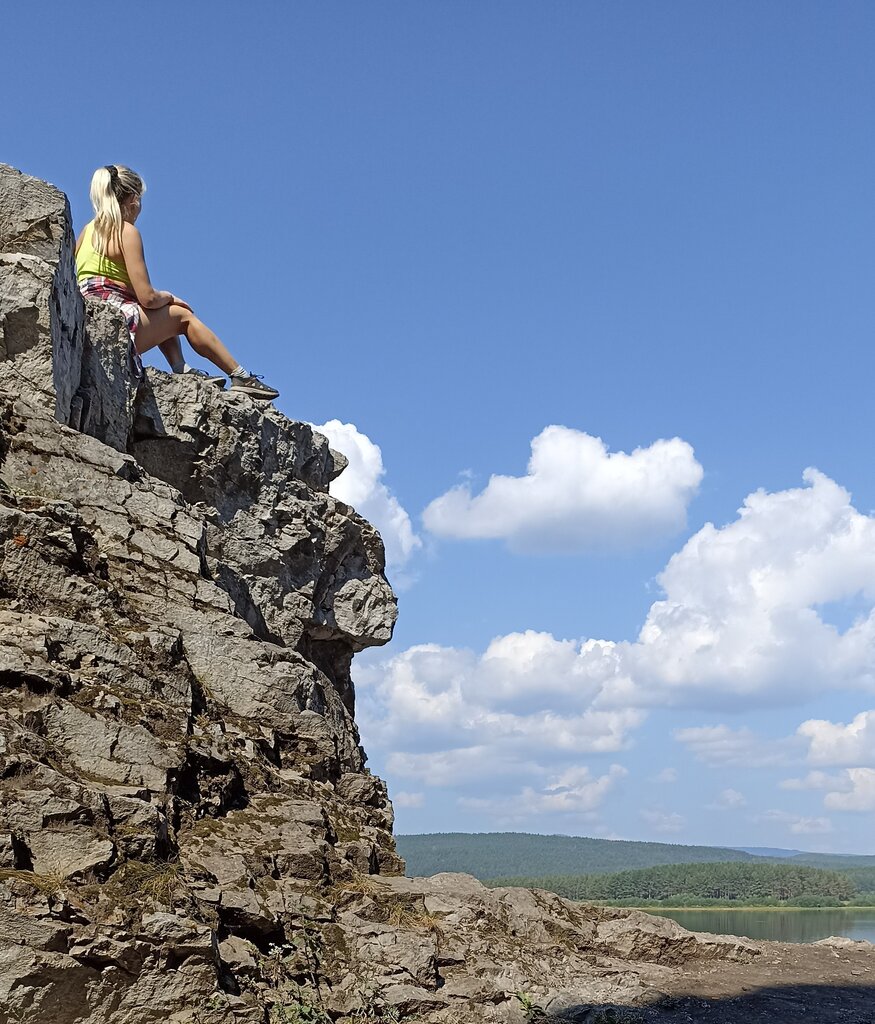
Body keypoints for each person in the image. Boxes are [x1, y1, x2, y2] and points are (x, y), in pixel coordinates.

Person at [75, 165, 279, 400]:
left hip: (89, 319)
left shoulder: (86, 231)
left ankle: (181, 367)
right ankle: (240, 376)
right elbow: (148, 298)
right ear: (133, 198)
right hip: (116, 325)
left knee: (163, 311)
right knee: (182, 316)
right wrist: (170, 297)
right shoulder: (126, 232)